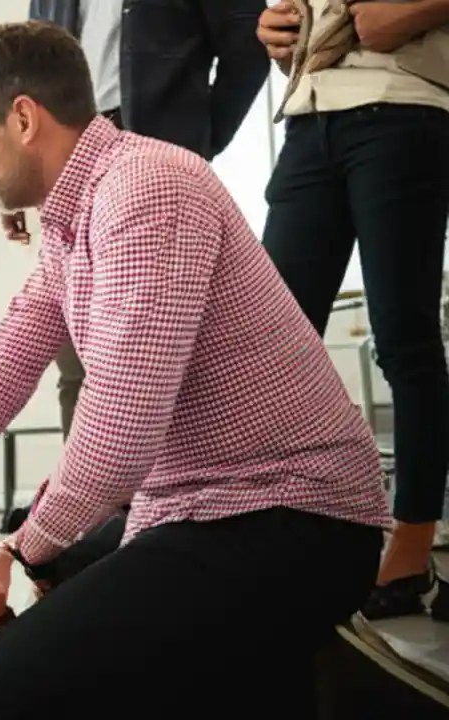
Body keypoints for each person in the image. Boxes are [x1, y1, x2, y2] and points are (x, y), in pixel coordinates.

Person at [0, 22, 392, 717]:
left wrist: (26, 550)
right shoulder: (76, 220)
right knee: (29, 637)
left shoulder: (148, 189)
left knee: (6, 682)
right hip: (198, 511)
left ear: (22, 119)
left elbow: (123, 428)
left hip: (289, 516)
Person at [257, 0, 449, 621]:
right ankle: (283, 524)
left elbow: (380, 20)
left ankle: (412, 552)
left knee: (404, 340)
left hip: (404, 105)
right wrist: (281, 31)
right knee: (271, 348)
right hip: (311, 111)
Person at [25, 0, 270, 440]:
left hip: (155, 157)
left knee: (158, 354)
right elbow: (28, 71)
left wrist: (203, 137)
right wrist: (23, 178)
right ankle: (97, 508)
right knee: (76, 359)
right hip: (69, 159)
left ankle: (170, 503)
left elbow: (250, 45)